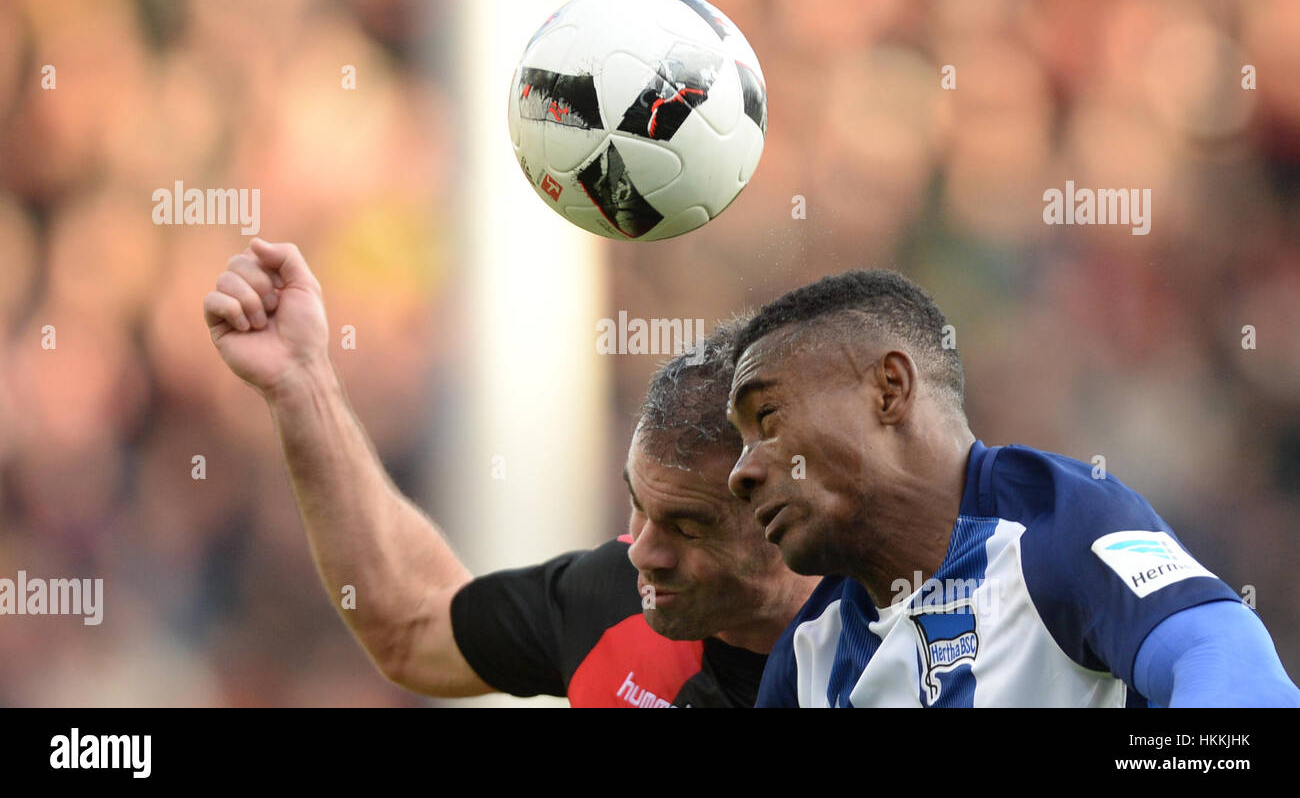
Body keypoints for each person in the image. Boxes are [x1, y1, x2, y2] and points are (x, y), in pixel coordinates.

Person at [203, 238, 816, 707]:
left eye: (687, 525)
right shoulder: (613, 603)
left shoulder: (894, 634)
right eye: (638, 504)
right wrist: (302, 385)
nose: (643, 552)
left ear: (785, 515)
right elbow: (411, 627)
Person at [725, 269, 1300, 707]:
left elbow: (1232, 668)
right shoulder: (806, 660)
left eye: (768, 418)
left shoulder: (1060, 525)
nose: (741, 472)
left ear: (889, 390)